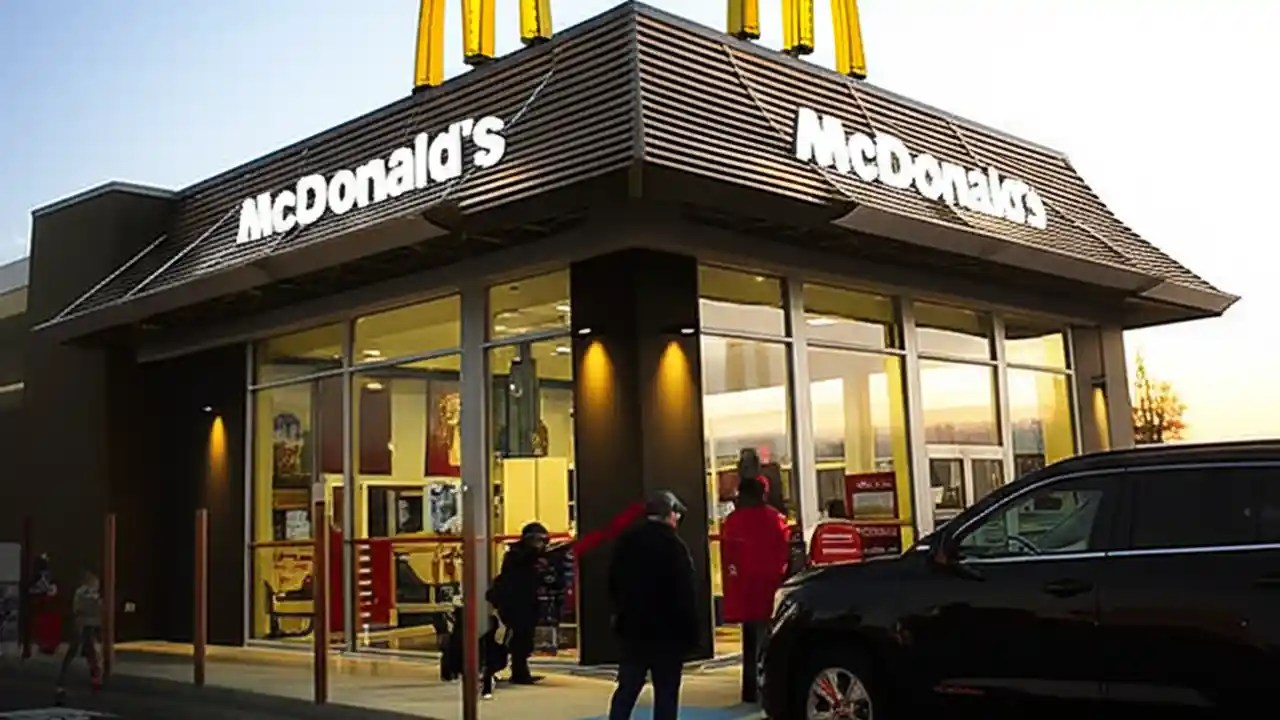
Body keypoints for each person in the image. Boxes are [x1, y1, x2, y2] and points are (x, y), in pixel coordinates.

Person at [607, 490, 698, 720]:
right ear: (670, 514)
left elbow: (614, 582)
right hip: (668, 632)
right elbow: (685, 593)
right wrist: (691, 634)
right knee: (666, 693)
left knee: (627, 689)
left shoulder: (627, 542)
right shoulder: (675, 547)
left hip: (634, 629)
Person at [722, 474, 790, 704]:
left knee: (750, 641)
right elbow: (784, 552)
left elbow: (730, 557)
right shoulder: (775, 519)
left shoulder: (733, 521)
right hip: (770, 587)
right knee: (770, 640)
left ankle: (750, 690)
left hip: (744, 588)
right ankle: (768, 688)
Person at [489, 522, 550, 686]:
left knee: (524, 637)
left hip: (526, 601)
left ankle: (520, 670)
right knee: (518, 638)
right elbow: (517, 574)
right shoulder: (516, 554)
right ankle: (517, 671)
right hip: (515, 602)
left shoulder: (529, 556)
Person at [56, 570, 103, 701]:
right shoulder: (85, 594)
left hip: (86, 624)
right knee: (81, 649)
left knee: (88, 650)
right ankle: (65, 679)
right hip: (83, 623)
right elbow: (82, 608)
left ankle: (94, 676)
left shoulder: (87, 594)